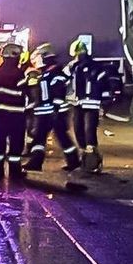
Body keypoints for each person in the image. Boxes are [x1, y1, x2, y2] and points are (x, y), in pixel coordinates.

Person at [22, 43, 80, 172]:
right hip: (46, 112)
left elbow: (58, 93)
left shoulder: (55, 73)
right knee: (42, 137)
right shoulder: (47, 73)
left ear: (44, 57)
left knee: (58, 137)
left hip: (54, 113)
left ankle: (73, 161)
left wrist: (55, 110)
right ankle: (37, 162)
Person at [65, 37, 110, 174]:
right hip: (78, 103)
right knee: (79, 130)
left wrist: (105, 101)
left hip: (92, 104)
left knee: (89, 130)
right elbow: (63, 78)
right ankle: (86, 157)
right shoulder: (73, 67)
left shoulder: (96, 67)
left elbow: (104, 85)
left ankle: (93, 159)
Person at [0, 43, 28, 180]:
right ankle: (15, 172)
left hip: (0, 115)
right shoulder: (19, 74)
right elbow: (25, 92)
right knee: (16, 145)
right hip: (17, 115)